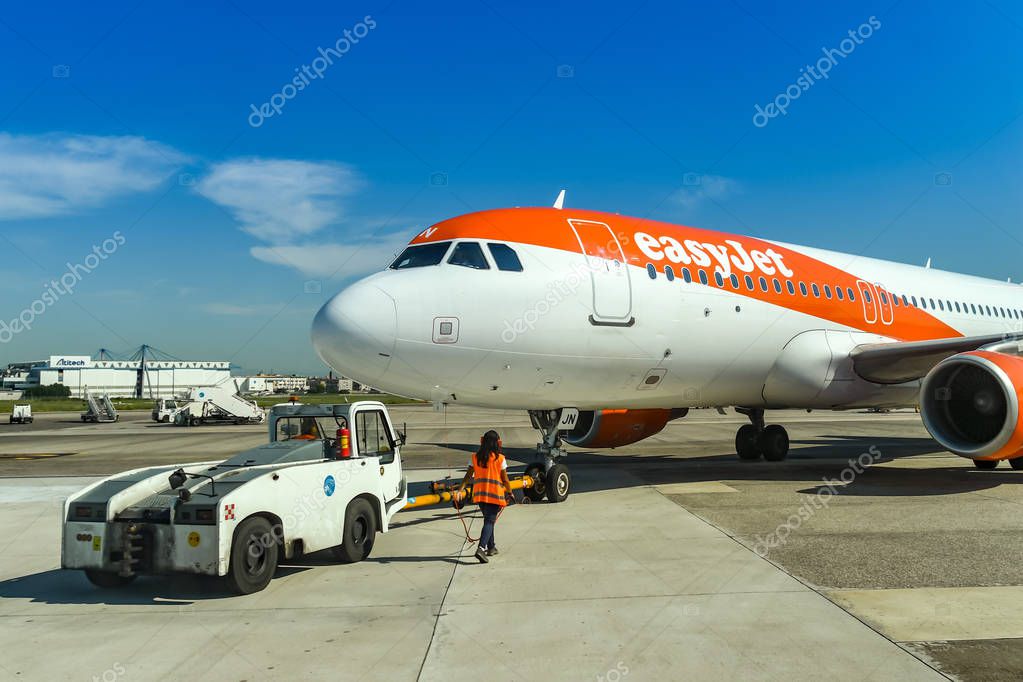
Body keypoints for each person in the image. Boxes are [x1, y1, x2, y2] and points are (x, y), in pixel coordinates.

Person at [459, 429, 513, 563]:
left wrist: (460, 490)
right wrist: (510, 492)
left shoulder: (475, 457)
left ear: (482, 442)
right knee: (489, 522)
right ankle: (481, 548)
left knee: (489, 521)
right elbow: (505, 479)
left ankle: (491, 547)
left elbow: (467, 476)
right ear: (497, 443)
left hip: (480, 496)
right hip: (494, 496)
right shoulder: (500, 458)